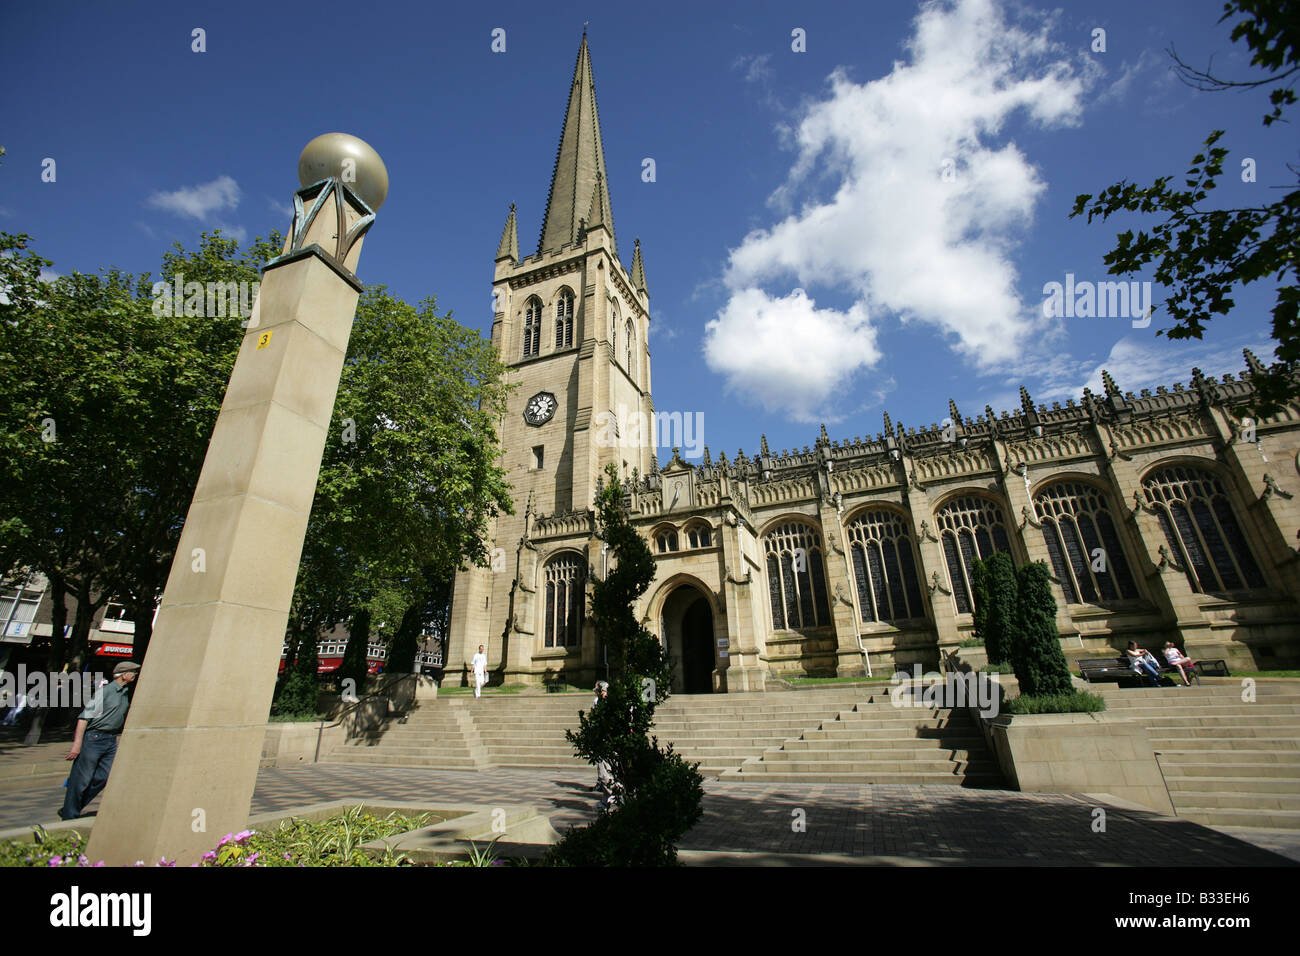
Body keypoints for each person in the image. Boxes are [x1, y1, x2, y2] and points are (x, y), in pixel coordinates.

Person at [60, 661, 139, 820]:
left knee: (104, 776)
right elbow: (83, 719)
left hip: (110, 739)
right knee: (81, 779)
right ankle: (69, 815)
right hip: (94, 738)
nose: (135, 675)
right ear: (124, 675)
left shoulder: (124, 693)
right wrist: (77, 745)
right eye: (133, 672)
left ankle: (73, 806)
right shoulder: (106, 692)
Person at [590, 681, 618, 809]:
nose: (602, 694)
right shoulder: (599, 703)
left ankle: (613, 795)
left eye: (603, 691)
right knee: (603, 770)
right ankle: (608, 796)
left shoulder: (611, 705)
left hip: (609, 741)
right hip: (603, 740)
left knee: (606, 771)